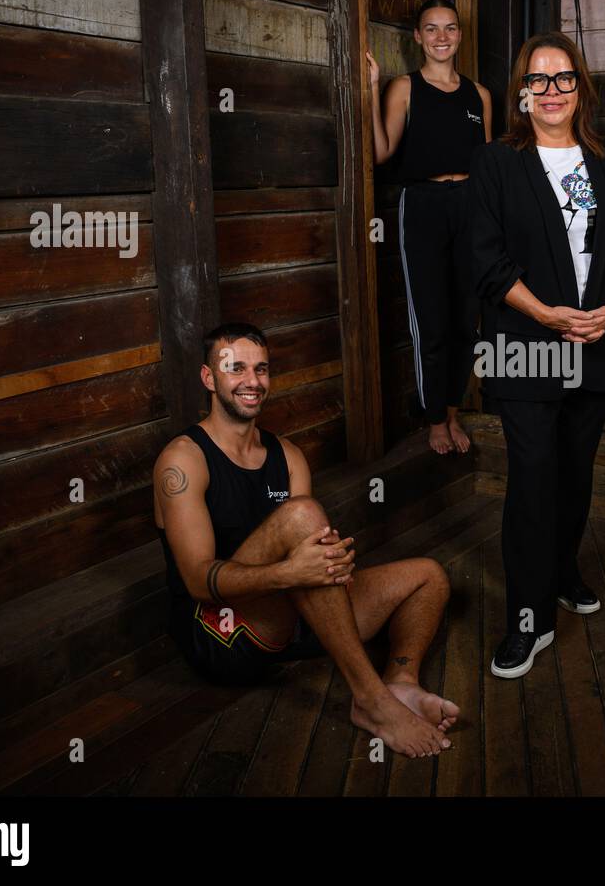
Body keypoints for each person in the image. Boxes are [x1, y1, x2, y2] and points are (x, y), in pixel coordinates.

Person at [153, 323, 459, 757]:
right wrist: (290, 573)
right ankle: (371, 702)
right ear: (209, 378)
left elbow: (309, 555)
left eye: (261, 369)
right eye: (235, 368)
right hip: (219, 632)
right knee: (301, 515)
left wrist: (332, 564)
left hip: (291, 619)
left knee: (429, 577)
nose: (252, 381)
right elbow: (199, 582)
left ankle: (401, 683)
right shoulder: (183, 459)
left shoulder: (288, 457)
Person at [466, 32, 605, 679]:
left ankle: (564, 568)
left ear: (581, 88)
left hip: (598, 346)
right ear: (522, 93)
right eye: (538, 80)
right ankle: (529, 616)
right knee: (534, 477)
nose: (551, 91)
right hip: (527, 348)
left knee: (575, 472)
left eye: (563, 78)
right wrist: (547, 315)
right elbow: (486, 258)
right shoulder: (497, 162)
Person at [367, 0, 493, 455]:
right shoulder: (404, 88)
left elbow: (487, 164)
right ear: (418, 37)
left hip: (470, 206)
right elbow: (381, 154)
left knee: (466, 319)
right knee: (431, 320)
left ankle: (454, 409)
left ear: (460, 35)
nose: (442, 37)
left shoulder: (479, 96)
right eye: (431, 29)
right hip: (421, 204)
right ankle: (434, 418)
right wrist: (371, 88)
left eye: (451, 29)